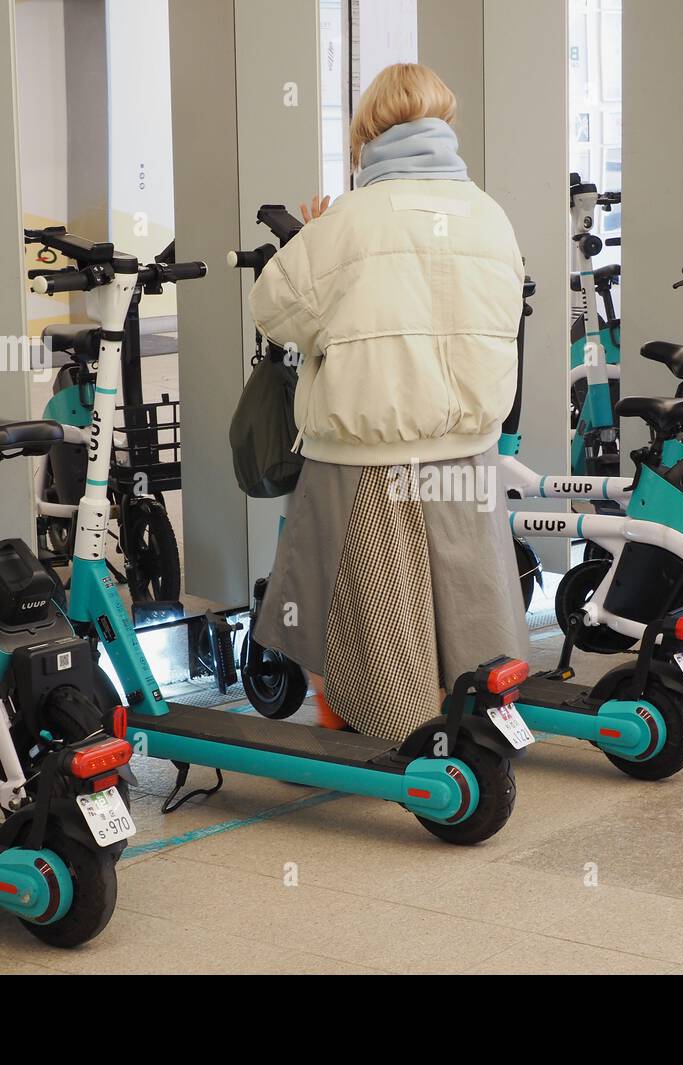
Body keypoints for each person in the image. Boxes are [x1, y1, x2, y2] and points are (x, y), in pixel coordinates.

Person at [250, 63, 530, 742]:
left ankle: (401, 734)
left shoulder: (348, 221)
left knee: (373, 622)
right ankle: (482, 718)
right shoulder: (491, 216)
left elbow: (273, 311)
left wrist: (307, 240)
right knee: (468, 609)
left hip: (367, 460)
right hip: (469, 453)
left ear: (366, 134)